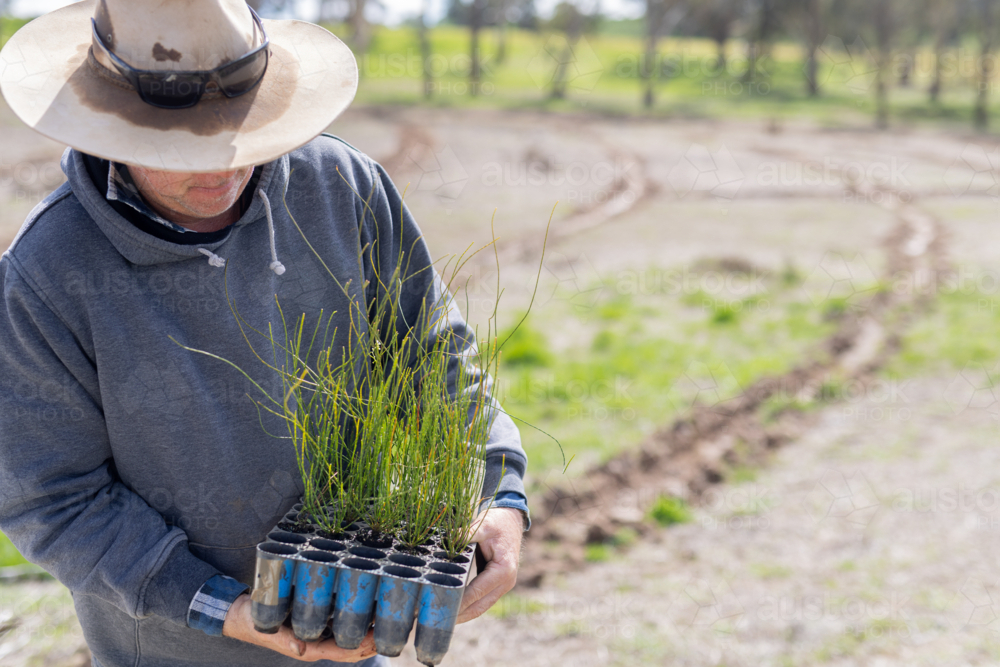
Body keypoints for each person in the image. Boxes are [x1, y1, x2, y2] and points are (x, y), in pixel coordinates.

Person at [0, 2, 530, 666]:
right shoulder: (45, 274)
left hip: (354, 632)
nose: (223, 166)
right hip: (169, 651)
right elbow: (55, 498)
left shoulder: (343, 187)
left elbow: (433, 353)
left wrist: (500, 491)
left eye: (239, 131)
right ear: (112, 129)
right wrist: (223, 607)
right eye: (185, 146)